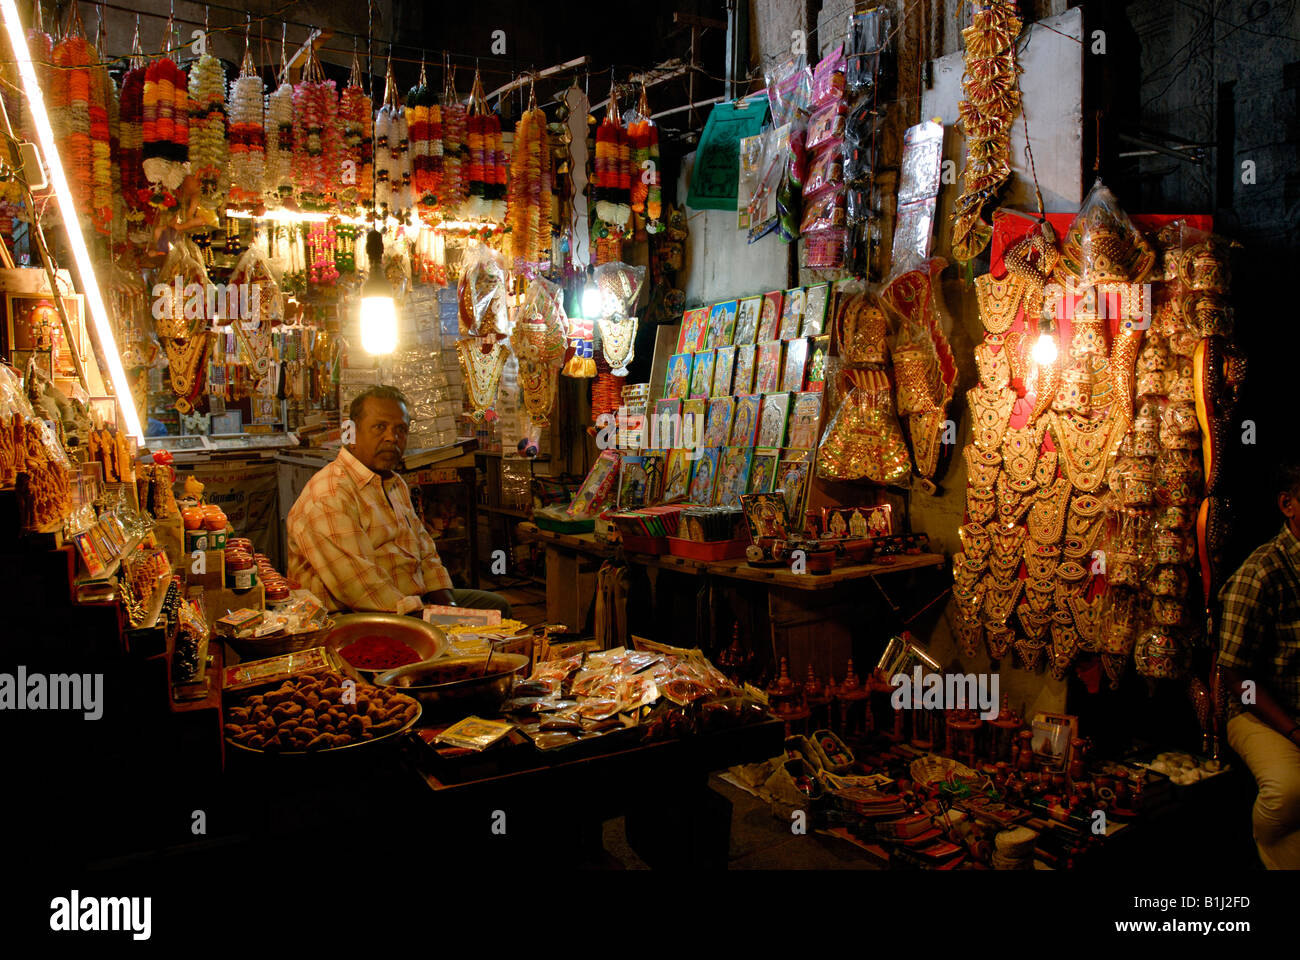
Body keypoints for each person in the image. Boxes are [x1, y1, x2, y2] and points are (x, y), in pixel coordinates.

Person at [287, 385, 511, 618]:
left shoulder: (394, 484)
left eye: (401, 429)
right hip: (358, 617)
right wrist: (440, 624)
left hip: (413, 600)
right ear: (350, 434)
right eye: (379, 427)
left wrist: (449, 608)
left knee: (497, 608)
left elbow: (426, 551)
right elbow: (362, 589)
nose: (392, 438)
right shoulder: (329, 494)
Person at [1218, 460, 1300, 869]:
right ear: (1288, 504)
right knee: (1289, 790)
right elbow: (1235, 676)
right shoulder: (1262, 571)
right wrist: (1294, 730)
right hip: (1259, 711)